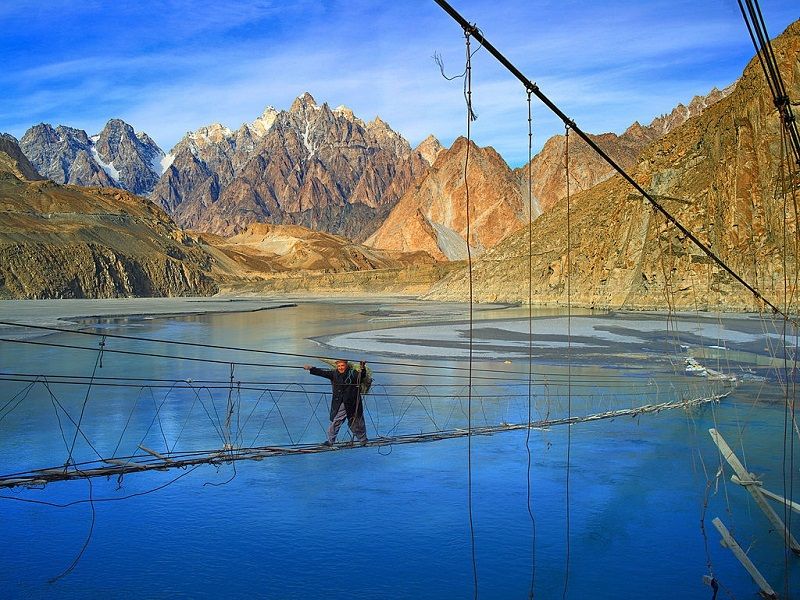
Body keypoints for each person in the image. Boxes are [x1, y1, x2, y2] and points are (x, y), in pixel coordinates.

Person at [303, 359, 368, 446]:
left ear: (346, 365)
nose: (340, 368)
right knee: (337, 421)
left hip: (353, 402)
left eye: (342, 365)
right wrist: (311, 368)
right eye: (339, 366)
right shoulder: (334, 374)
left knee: (356, 422)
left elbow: (361, 376)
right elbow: (322, 373)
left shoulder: (352, 373)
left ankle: (363, 440)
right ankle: (331, 441)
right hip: (340, 403)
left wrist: (362, 367)